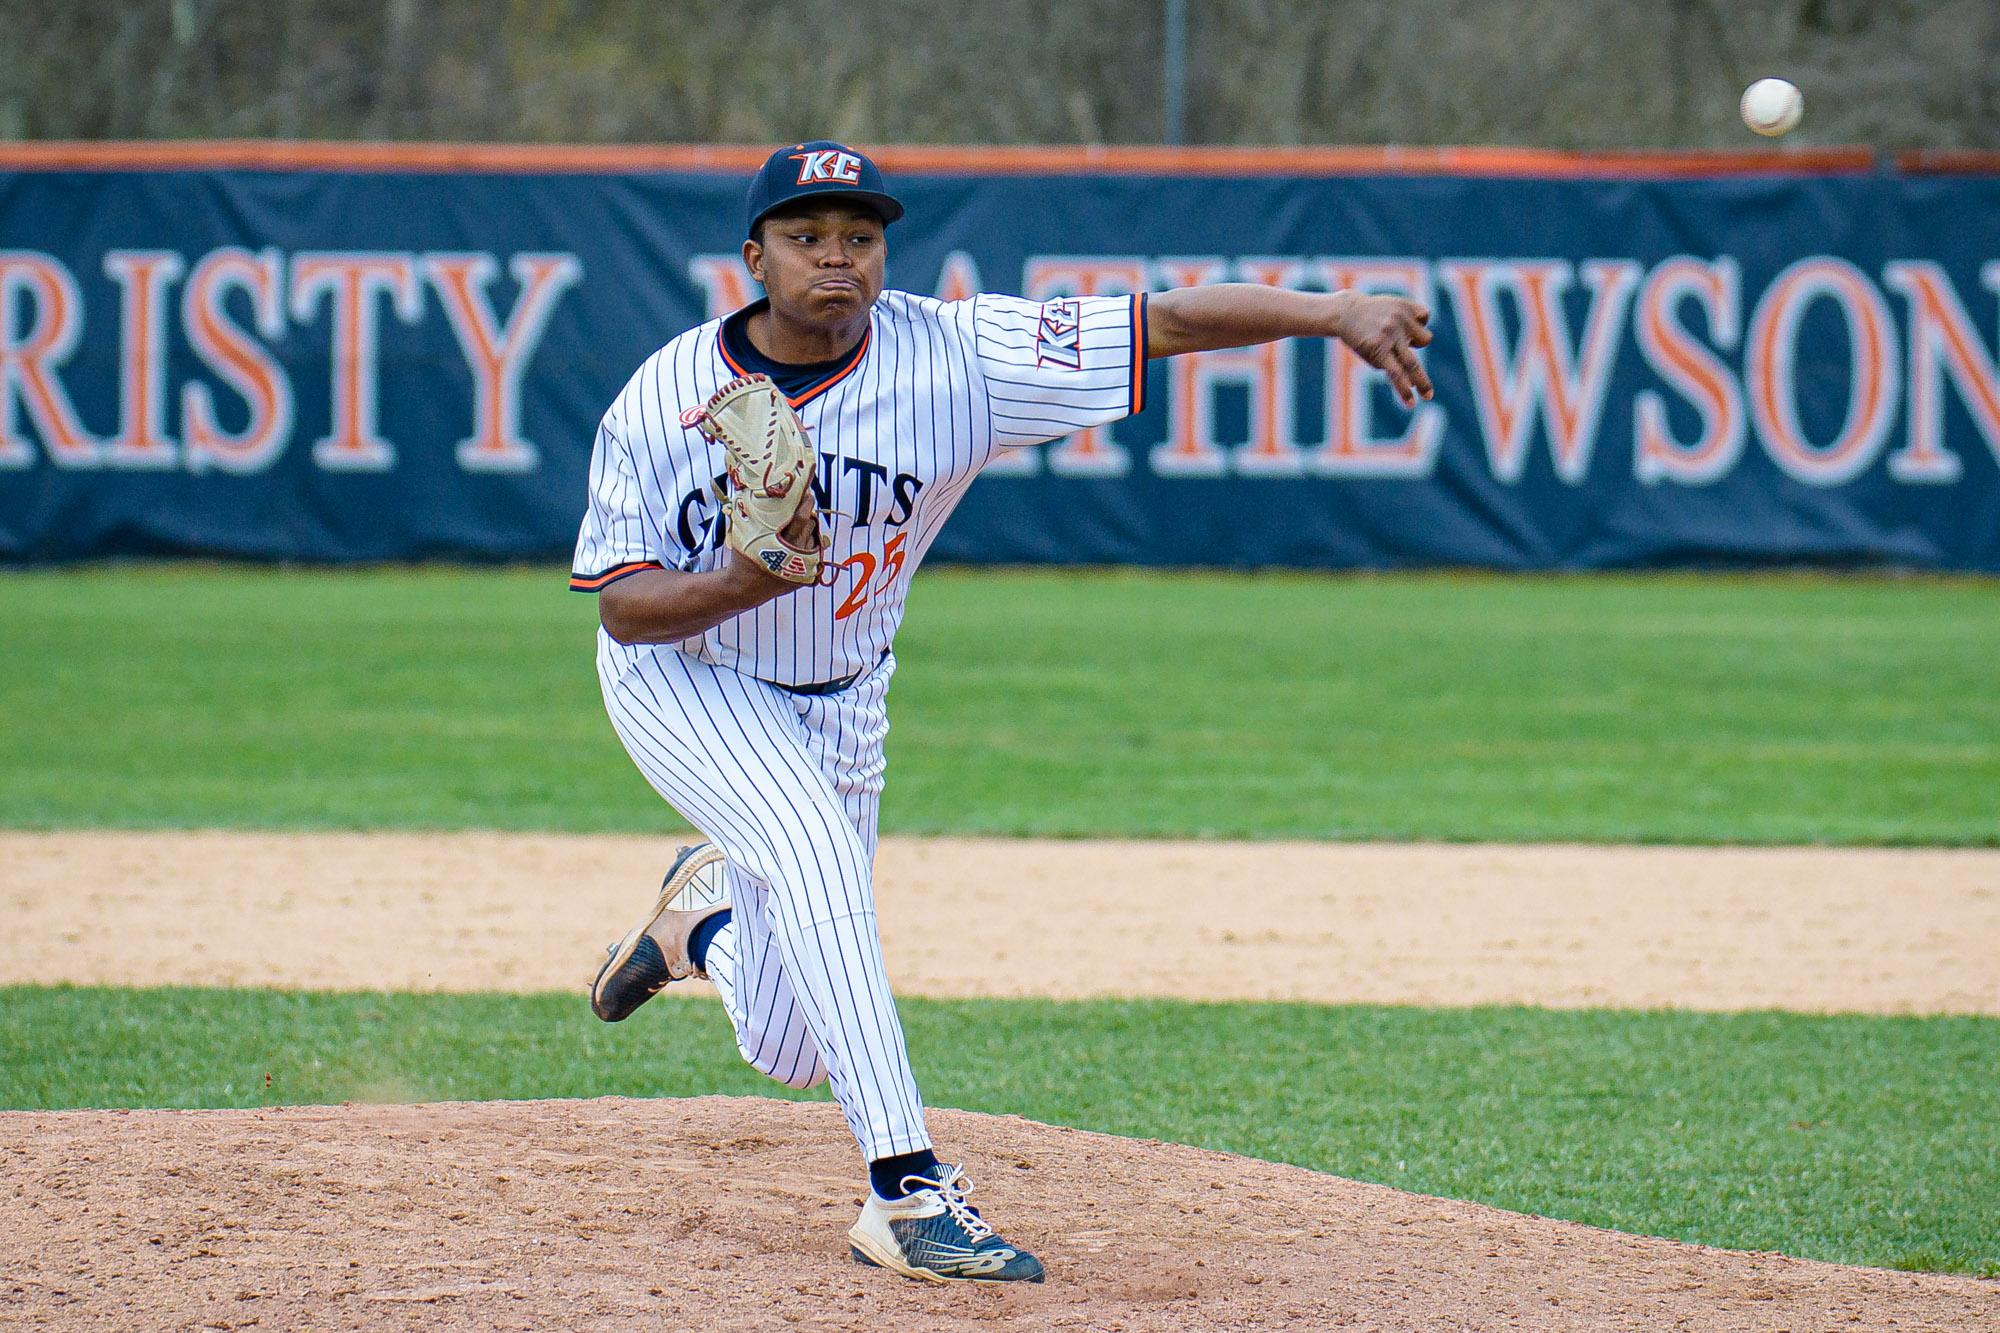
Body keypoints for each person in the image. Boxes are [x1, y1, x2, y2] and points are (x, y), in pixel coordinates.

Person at [572, 140, 1432, 1285]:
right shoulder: (665, 396)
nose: (836, 257)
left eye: (859, 237)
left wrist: (1333, 313)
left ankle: (703, 919)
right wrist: (745, 580)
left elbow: (1163, 321)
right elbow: (626, 609)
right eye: (805, 236)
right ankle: (907, 1193)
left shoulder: (960, 356)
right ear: (752, 258)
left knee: (784, 1042)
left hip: (842, 694)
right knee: (817, 856)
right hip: (688, 676)